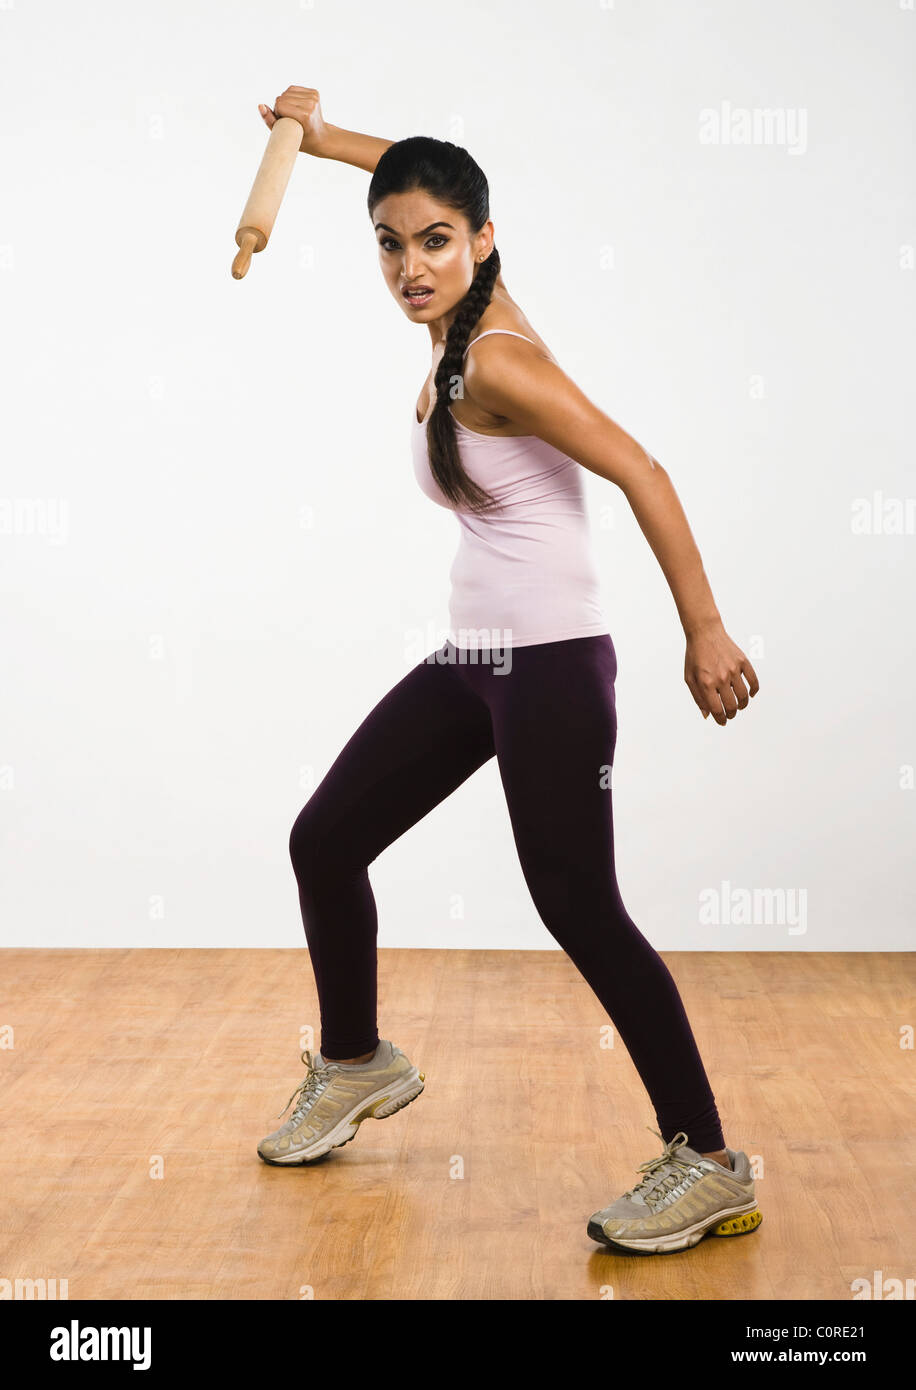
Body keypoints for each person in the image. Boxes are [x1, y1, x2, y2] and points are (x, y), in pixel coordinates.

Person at [254, 88, 763, 1254]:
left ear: (482, 240)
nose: (409, 265)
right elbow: (430, 171)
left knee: (578, 905)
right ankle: (353, 1063)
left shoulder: (499, 355)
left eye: (434, 240)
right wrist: (327, 142)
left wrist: (705, 627)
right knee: (324, 839)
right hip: (476, 660)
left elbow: (642, 467)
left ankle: (709, 1161)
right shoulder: (455, 307)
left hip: (549, 668)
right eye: (389, 243)